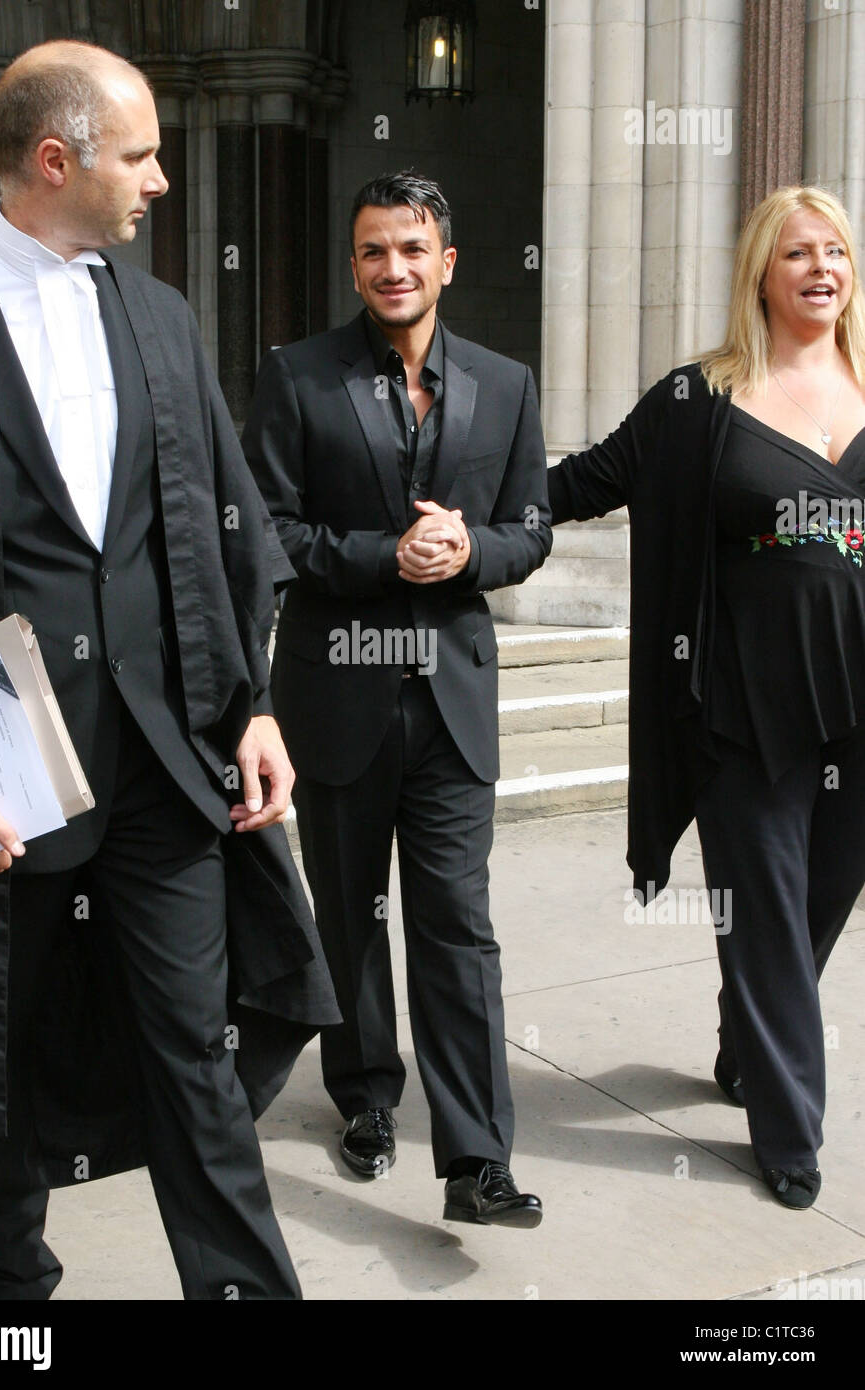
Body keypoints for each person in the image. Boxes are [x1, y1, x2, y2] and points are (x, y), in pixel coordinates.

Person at [0, 39, 339, 1299]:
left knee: (193, 1048)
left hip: (161, 756)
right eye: (140, 153)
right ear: (57, 159)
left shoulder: (160, 314)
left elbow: (219, 523)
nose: (158, 178)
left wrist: (250, 702)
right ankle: (4, 1295)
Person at [546, 184, 865, 1210]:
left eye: (835, 252)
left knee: (820, 901)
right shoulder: (702, 397)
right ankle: (788, 1131)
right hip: (740, 704)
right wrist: (457, 503)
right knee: (765, 917)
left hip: (857, 705)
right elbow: (582, 479)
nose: (819, 268)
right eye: (795, 253)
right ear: (758, 275)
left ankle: (744, 1040)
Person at [242, 172, 550, 1227]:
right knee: (352, 916)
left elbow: (532, 527)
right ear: (355, 263)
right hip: (334, 695)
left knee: (458, 924)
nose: (393, 269)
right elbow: (267, 532)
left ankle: (477, 1160)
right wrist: (385, 557)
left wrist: (470, 549)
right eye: (373, 251)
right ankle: (366, 1097)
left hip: (454, 702)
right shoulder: (296, 376)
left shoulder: (505, 384)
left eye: (411, 250)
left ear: (445, 261)